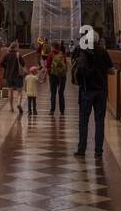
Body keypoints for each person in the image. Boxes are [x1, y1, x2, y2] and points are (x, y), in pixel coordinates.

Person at [73, 30, 113, 158]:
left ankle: (81, 149)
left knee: (83, 121)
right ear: (97, 39)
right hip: (101, 90)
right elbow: (111, 70)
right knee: (99, 121)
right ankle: (98, 151)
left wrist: (81, 82)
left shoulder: (84, 51)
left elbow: (78, 70)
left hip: (86, 90)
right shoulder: (103, 51)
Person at [1, 42, 23, 115]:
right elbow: (23, 64)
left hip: (9, 76)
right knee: (19, 91)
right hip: (17, 76)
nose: (18, 48)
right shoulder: (18, 55)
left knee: (10, 91)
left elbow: (1, 63)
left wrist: (7, 68)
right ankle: (19, 103)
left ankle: (11, 108)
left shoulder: (7, 55)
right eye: (18, 47)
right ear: (16, 47)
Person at [48, 44, 68, 114]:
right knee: (61, 93)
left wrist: (49, 75)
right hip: (62, 77)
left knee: (53, 93)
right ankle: (62, 110)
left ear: (53, 47)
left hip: (53, 76)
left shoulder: (50, 55)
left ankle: (52, 110)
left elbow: (48, 66)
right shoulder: (63, 55)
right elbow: (66, 66)